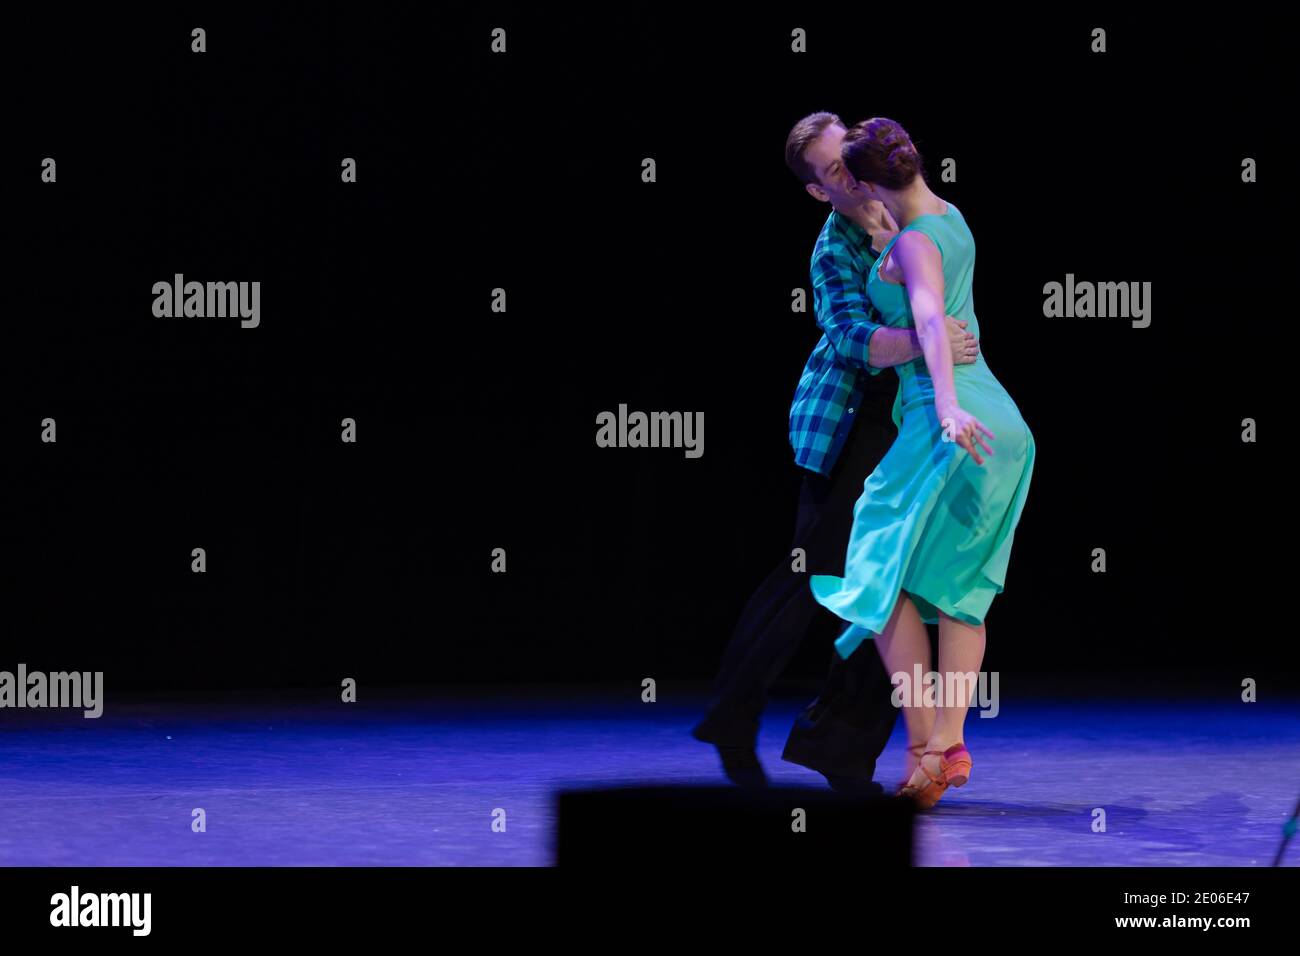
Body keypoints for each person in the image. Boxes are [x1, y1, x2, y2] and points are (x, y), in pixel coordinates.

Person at [692, 112, 980, 793]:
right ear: (820, 191)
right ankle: (735, 719)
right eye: (833, 173)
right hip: (854, 417)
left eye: (848, 159)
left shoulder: (908, 205)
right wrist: (923, 343)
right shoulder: (833, 245)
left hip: (909, 413)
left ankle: (843, 750)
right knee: (812, 574)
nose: (849, 175)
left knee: (888, 591)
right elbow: (852, 338)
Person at [810, 117, 1036, 810]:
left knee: (875, 569)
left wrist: (942, 405)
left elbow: (934, 317)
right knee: (958, 592)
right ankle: (943, 746)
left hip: (950, 420)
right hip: (1001, 425)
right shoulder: (951, 217)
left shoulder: (913, 242)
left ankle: (926, 742)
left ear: (874, 180)